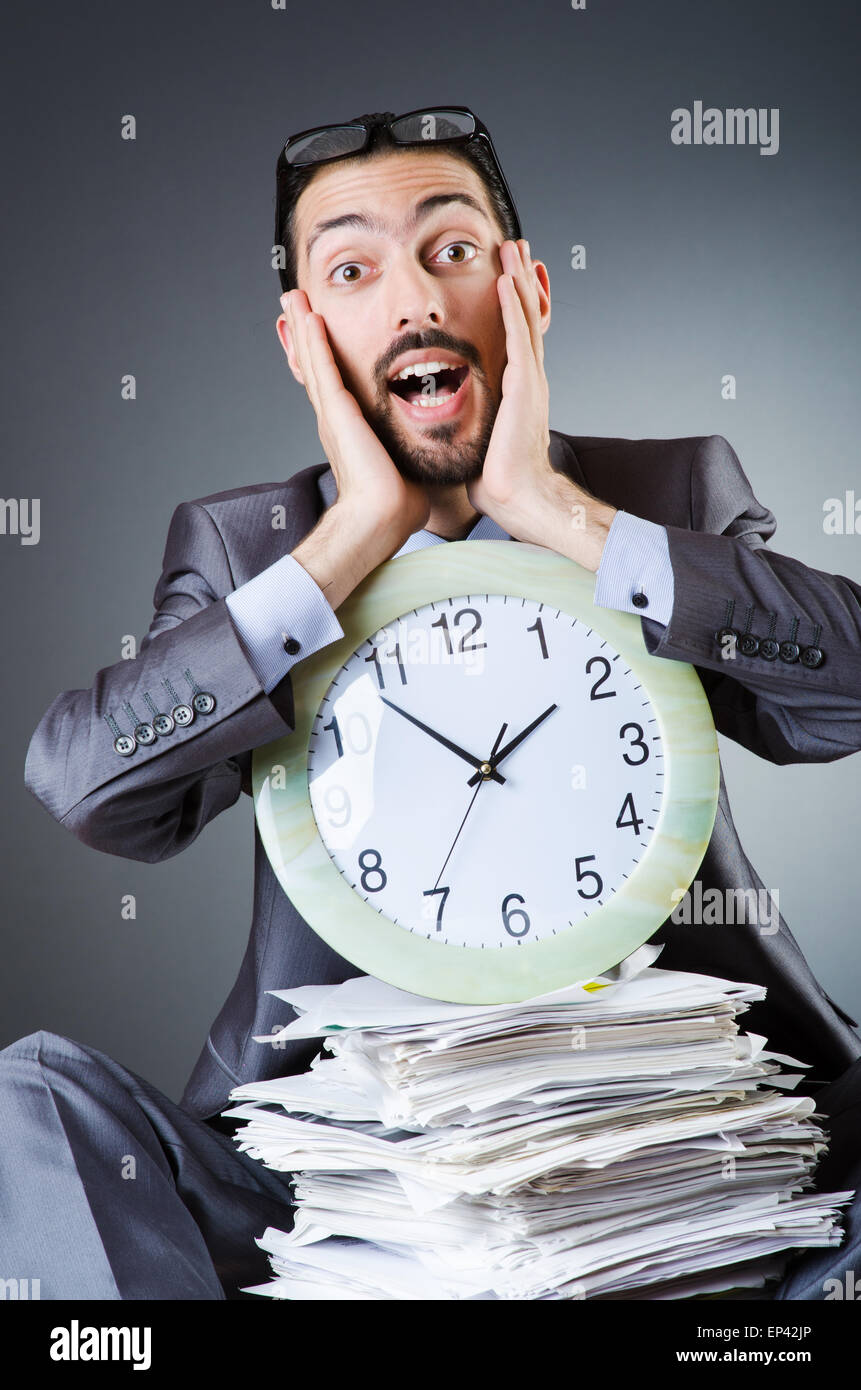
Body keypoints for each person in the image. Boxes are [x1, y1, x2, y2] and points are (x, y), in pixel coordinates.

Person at [5, 107, 861, 1301]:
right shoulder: (247, 542)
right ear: (303, 340)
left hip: (693, 1150)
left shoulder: (666, 491)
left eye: (451, 250)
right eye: (352, 269)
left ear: (527, 290)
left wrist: (557, 511)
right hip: (349, 1177)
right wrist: (350, 540)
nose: (414, 299)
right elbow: (89, 788)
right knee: (29, 1098)